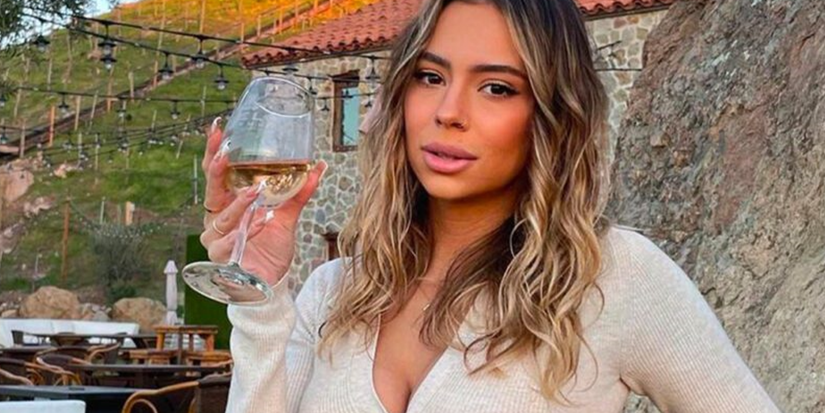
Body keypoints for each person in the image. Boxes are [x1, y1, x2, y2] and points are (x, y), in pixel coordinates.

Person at [198, 0, 783, 411]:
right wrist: (259, 294)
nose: (449, 111)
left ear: (551, 115)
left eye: (497, 87)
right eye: (430, 76)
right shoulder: (334, 293)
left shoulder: (610, 279)